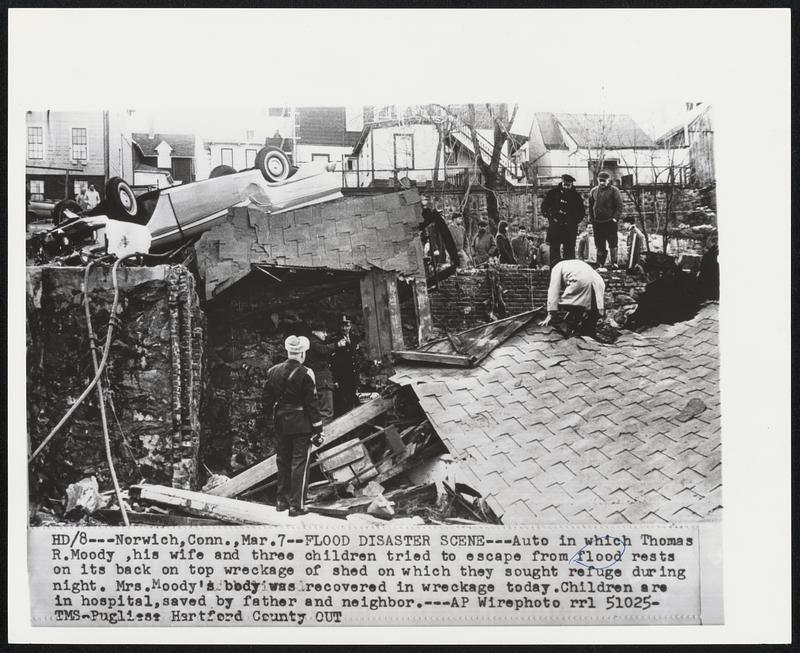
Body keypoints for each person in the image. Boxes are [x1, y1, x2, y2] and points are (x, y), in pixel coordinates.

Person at [262, 335, 325, 516]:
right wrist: (318, 429)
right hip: (301, 424)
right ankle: (296, 506)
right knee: (299, 463)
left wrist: (274, 418)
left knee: (282, 461)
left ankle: (281, 501)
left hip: (280, 423)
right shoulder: (306, 373)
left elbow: (266, 401)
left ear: (288, 351)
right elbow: (312, 404)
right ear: (302, 353)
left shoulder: (273, 371)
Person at [539, 259, 606, 337]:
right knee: (591, 310)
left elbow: (553, 289)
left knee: (569, 304)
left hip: (580, 280)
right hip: (599, 281)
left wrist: (551, 312)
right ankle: (587, 333)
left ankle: (570, 328)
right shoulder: (574, 264)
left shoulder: (556, 267)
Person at [305, 320, 346, 424]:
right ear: (314, 332)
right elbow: (323, 349)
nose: (325, 334)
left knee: (321, 412)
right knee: (326, 413)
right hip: (323, 383)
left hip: (320, 382)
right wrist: (337, 344)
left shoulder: (313, 341)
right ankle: (325, 434)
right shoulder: (313, 343)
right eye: (323, 332)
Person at [541, 173, 585, 266]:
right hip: (555, 227)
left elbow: (581, 213)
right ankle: (554, 269)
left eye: (568, 185)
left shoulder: (576, 196)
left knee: (569, 250)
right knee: (554, 249)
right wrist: (551, 216)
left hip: (569, 228)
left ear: (572, 185)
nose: (566, 187)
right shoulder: (553, 193)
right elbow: (544, 207)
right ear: (562, 182)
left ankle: (569, 270)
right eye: (565, 185)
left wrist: (572, 221)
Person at [588, 171, 624, 269]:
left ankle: (614, 263)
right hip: (597, 223)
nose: (602, 183)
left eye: (604, 181)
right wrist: (592, 219)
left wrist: (615, 218)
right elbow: (590, 206)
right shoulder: (593, 191)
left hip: (610, 222)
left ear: (608, 180)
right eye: (600, 180)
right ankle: (600, 264)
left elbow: (619, 205)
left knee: (613, 243)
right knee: (599, 244)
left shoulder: (614, 190)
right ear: (597, 180)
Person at [331, 315, 360, 416]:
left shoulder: (355, 338)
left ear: (350, 325)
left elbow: (356, 357)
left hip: (353, 375)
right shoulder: (334, 339)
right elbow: (333, 362)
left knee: (353, 400)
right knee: (343, 403)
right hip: (342, 377)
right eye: (342, 326)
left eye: (347, 325)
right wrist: (335, 379)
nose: (344, 328)